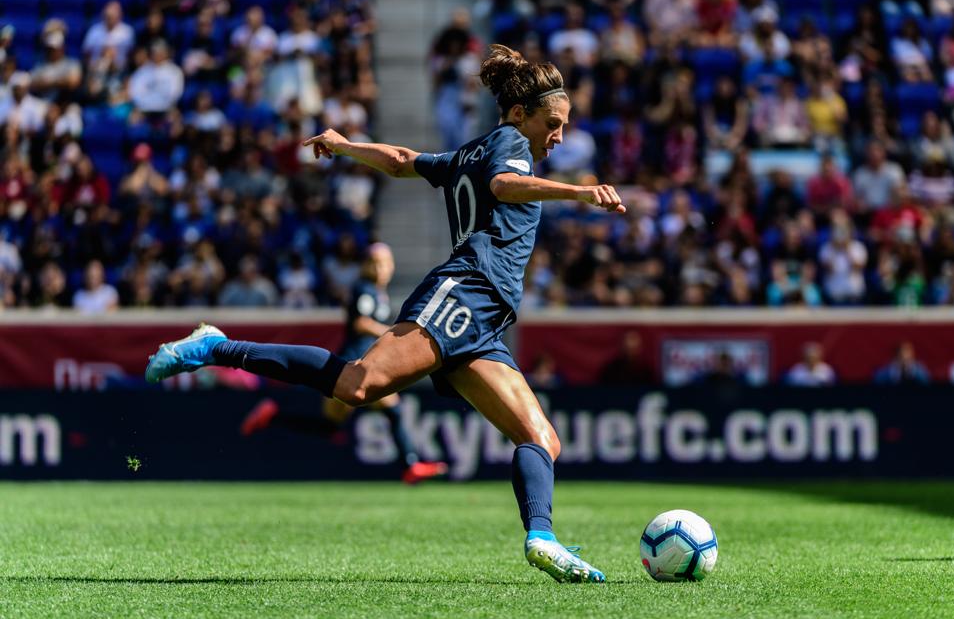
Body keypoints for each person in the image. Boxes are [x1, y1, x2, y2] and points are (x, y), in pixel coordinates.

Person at [145, 43, 623, 584]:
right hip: (467, 292)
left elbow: (401, 162)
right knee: (358, 386)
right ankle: (216, 346)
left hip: (486, 318)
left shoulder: (473, 150)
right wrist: (580, 194)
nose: (557, 137)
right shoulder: (511, 144)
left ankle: (542, 538)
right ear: (519, 114)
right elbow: (503, 186)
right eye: (552, 124)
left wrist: (346, 147)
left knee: (541, 439)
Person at [241, 243, 449, 485]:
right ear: (365, 266)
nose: (379, 268)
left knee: (330, 426)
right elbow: (361, 323)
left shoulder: (376, 293)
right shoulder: (365, 289)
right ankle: (410, 465)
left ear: (391, 267)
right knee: (395, 408)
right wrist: (393, 333)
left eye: (383, 263)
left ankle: (273, 416)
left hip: (354, 366)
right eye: (374, 263)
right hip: (356, 365)